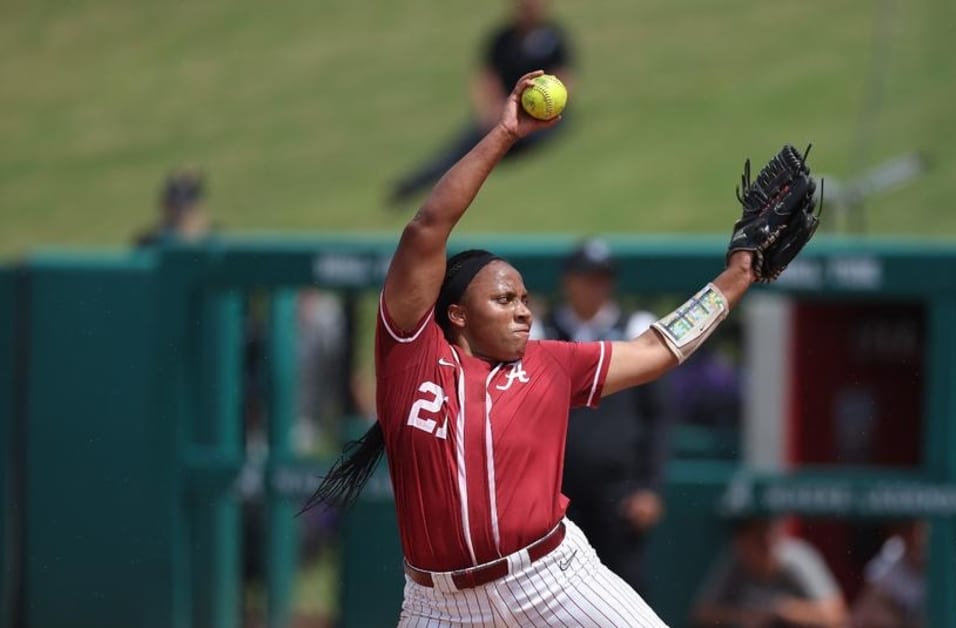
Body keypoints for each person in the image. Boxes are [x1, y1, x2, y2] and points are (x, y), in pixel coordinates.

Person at [304, 70, 804, 626]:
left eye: (524, 297)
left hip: (553, 578)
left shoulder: (550, 363)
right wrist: (504, 134)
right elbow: (427, 227)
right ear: (457, 314)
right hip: (439, 605)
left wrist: (738, 275)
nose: (523, 308)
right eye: (504, 298)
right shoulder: (411, 355)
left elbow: (656, 349)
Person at [538, 238, 670, 594]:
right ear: (567, 280)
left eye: (602, 277)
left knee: (621, 590)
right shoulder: (540, 332)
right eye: (586, 276)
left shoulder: (636, 329)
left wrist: (649, 487)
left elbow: (657, 418)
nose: (595, 286)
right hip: (556, 492)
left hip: (619, 490)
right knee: (555, 592)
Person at [389, 0, 573, 204]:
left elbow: (564, 78)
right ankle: (411, 185)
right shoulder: (503, 38)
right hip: (502, 112)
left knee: (501, 151)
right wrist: (491, 109)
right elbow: (487, 76)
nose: (530, 8)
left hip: (538, 119)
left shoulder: (554, 37)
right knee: (459, 153)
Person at [691, 516, 847, 628]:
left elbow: (837, 616)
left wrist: (785, 610)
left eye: (767, 536)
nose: (766, 543)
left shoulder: (797, 560)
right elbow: (702, 613)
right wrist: (746, 616)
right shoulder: (735, 560)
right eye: (756, 537)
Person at [851, 521, 956, 628]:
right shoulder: (893, 552)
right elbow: (864, 613)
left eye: (920, 529)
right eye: (907, 528)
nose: (914, 536)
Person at [134, 168, 212, 247]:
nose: (181, 212)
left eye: (187, 207)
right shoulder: (148, 243)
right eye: (175, 206)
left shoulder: (214, 244)